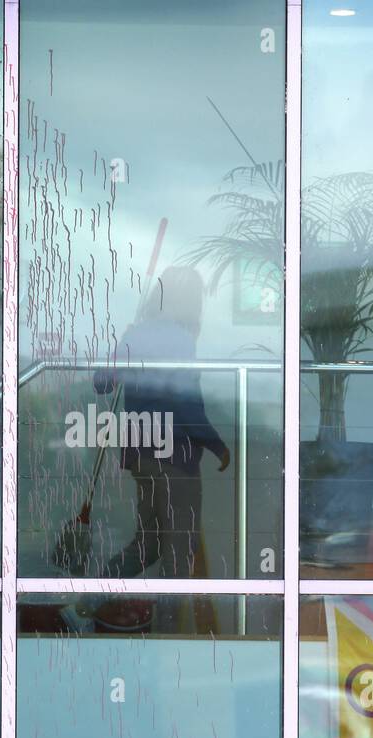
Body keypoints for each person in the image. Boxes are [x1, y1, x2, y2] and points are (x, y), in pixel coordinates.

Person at [93, 266, 230, 632]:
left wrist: (122, 345)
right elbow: (187, 404)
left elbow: (101, 383)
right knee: (177, 553)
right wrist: (214, 443)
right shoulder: (181, 340)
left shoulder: (137, 334)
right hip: (175, 459)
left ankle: (95, 594)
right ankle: (168, 635)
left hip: (142, 456)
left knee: (150, 544)